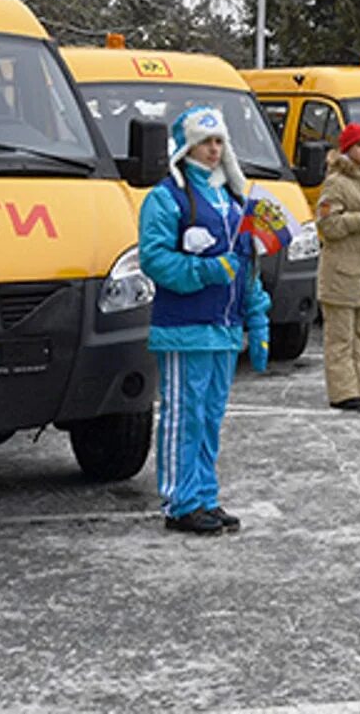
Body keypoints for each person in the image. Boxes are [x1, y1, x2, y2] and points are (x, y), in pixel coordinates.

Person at [137, 106, 270, 535]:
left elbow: (245, 264)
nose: (214, 151)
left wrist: (257, 314)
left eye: (219, 142)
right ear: (187, 145)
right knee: (184, 414)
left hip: (224, 327)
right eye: (206, 142)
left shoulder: (231, 198)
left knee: (210, 415)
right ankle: (181, 501)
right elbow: (154, 259)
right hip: (184, 325)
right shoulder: (167, 197)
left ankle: (205, 496)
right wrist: (206, 271)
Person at [316, 122, 360, 411]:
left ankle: (357, 386)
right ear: (347, 149)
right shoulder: (336, 182)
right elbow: (328, 225)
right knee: (340, 337)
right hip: (341, 272)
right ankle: (342, 391)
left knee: (359, 336)